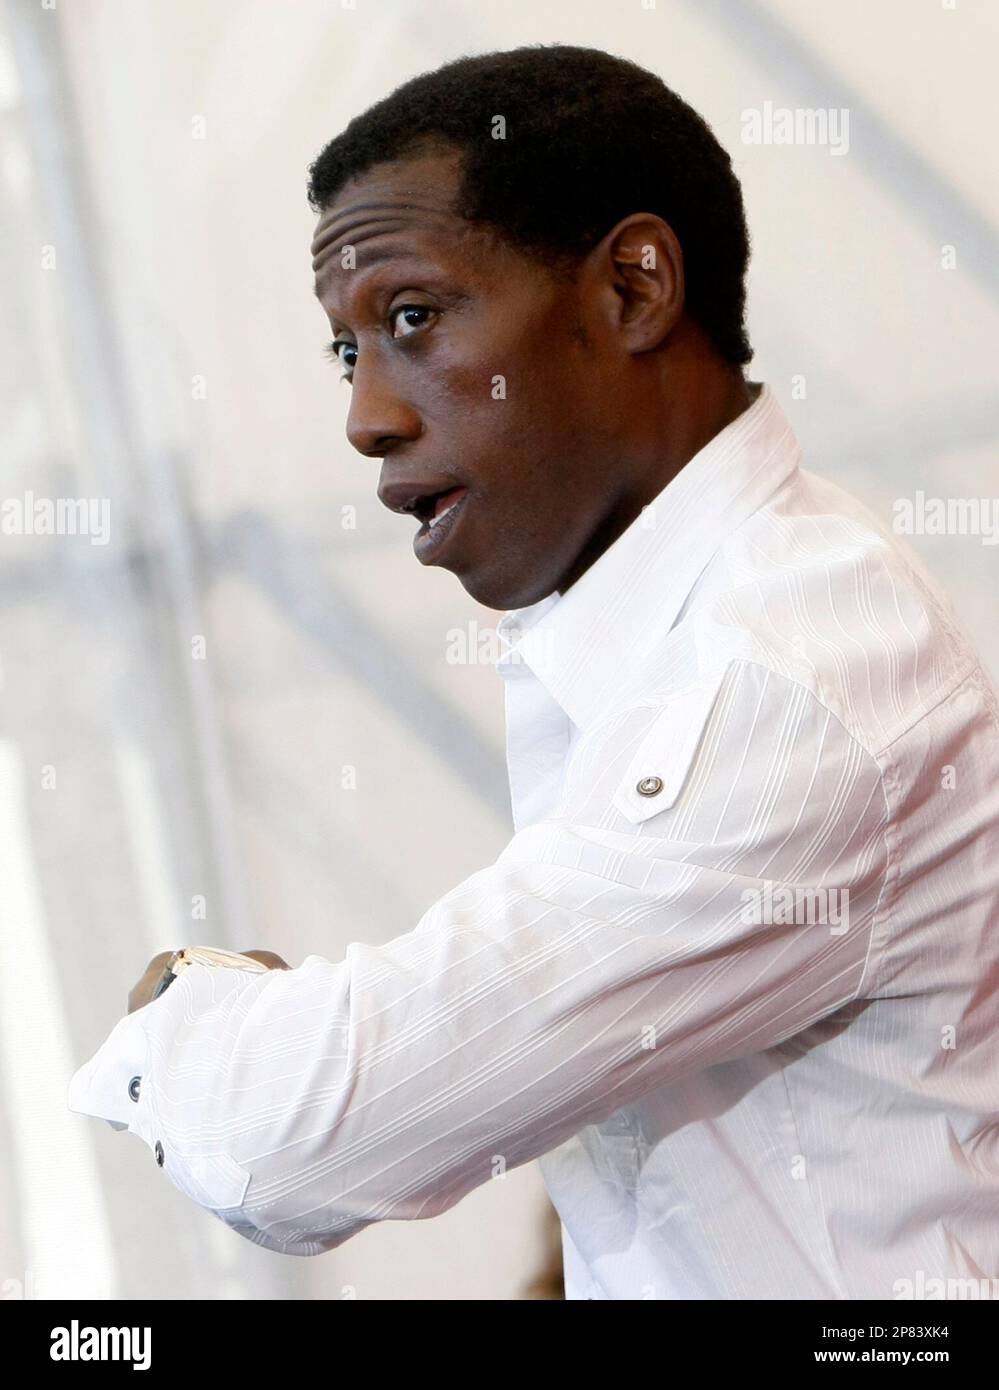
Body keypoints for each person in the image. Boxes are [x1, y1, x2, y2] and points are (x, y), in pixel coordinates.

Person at [69, 44, 999, 1300]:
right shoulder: (670, 638)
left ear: (631, 287)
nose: (366, 417)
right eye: (348, 352)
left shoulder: (792, 670)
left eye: (412, 319)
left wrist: (187, 1005)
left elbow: (290, 1137)